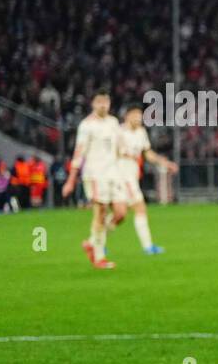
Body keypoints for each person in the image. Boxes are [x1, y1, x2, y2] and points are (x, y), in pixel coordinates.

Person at [61, 91, 123, 269]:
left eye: (106, 101)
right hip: (95, 174)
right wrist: (71, 180)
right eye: (99, 101)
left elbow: (117, 148)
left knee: (120, 213)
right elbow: (79, 153)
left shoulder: (113, 122)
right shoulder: (86, 125)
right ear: (93, 103)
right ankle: (99, 257)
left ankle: (91, 242)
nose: (103, 104)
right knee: (101, 212)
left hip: (113, 173)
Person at [114, 105, 179, 252]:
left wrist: (165, 163)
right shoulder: (118, 132)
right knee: (139, 208)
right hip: (121, 177)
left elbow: (147, 153)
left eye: (140, 115)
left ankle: (97, 241)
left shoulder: (141, 132)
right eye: (135, 114)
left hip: (132, 176)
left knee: (120, 214)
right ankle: (148, 246)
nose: (139, 118)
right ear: (127, 115)